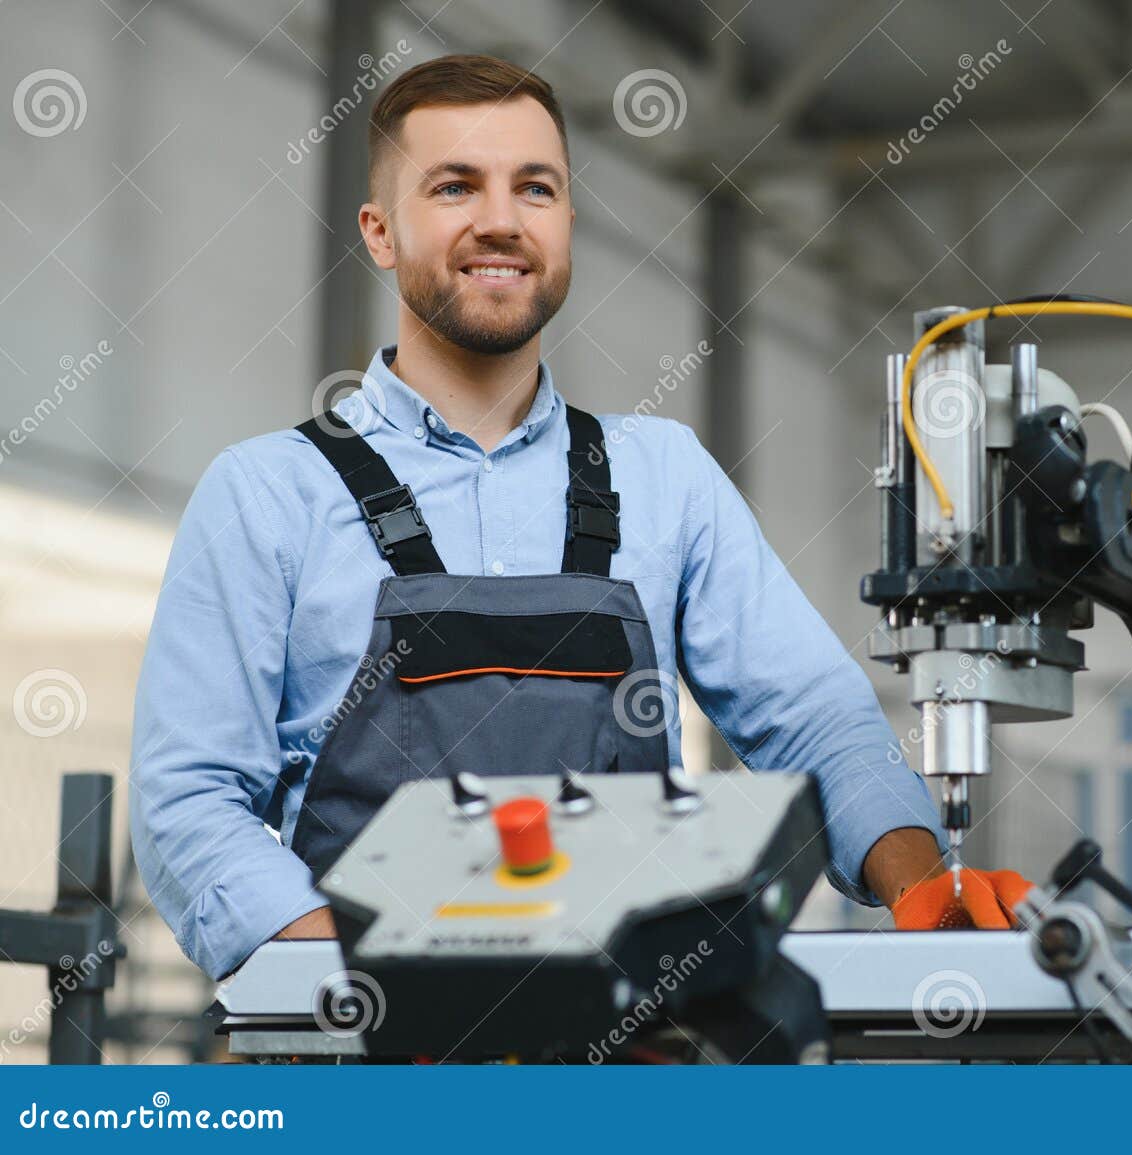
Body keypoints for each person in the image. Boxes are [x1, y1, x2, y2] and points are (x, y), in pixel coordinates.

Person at [130, 54, 1030, 983]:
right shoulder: (268, 495)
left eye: (535, 187)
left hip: (627, 1060)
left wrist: (921, 879)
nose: (500, 220)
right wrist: (358, 983)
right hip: (357, 1069)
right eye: (453, 186)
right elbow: (189, 803)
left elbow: (815, 720)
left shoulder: (664, 478)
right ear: (380, 231)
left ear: (565, 222)